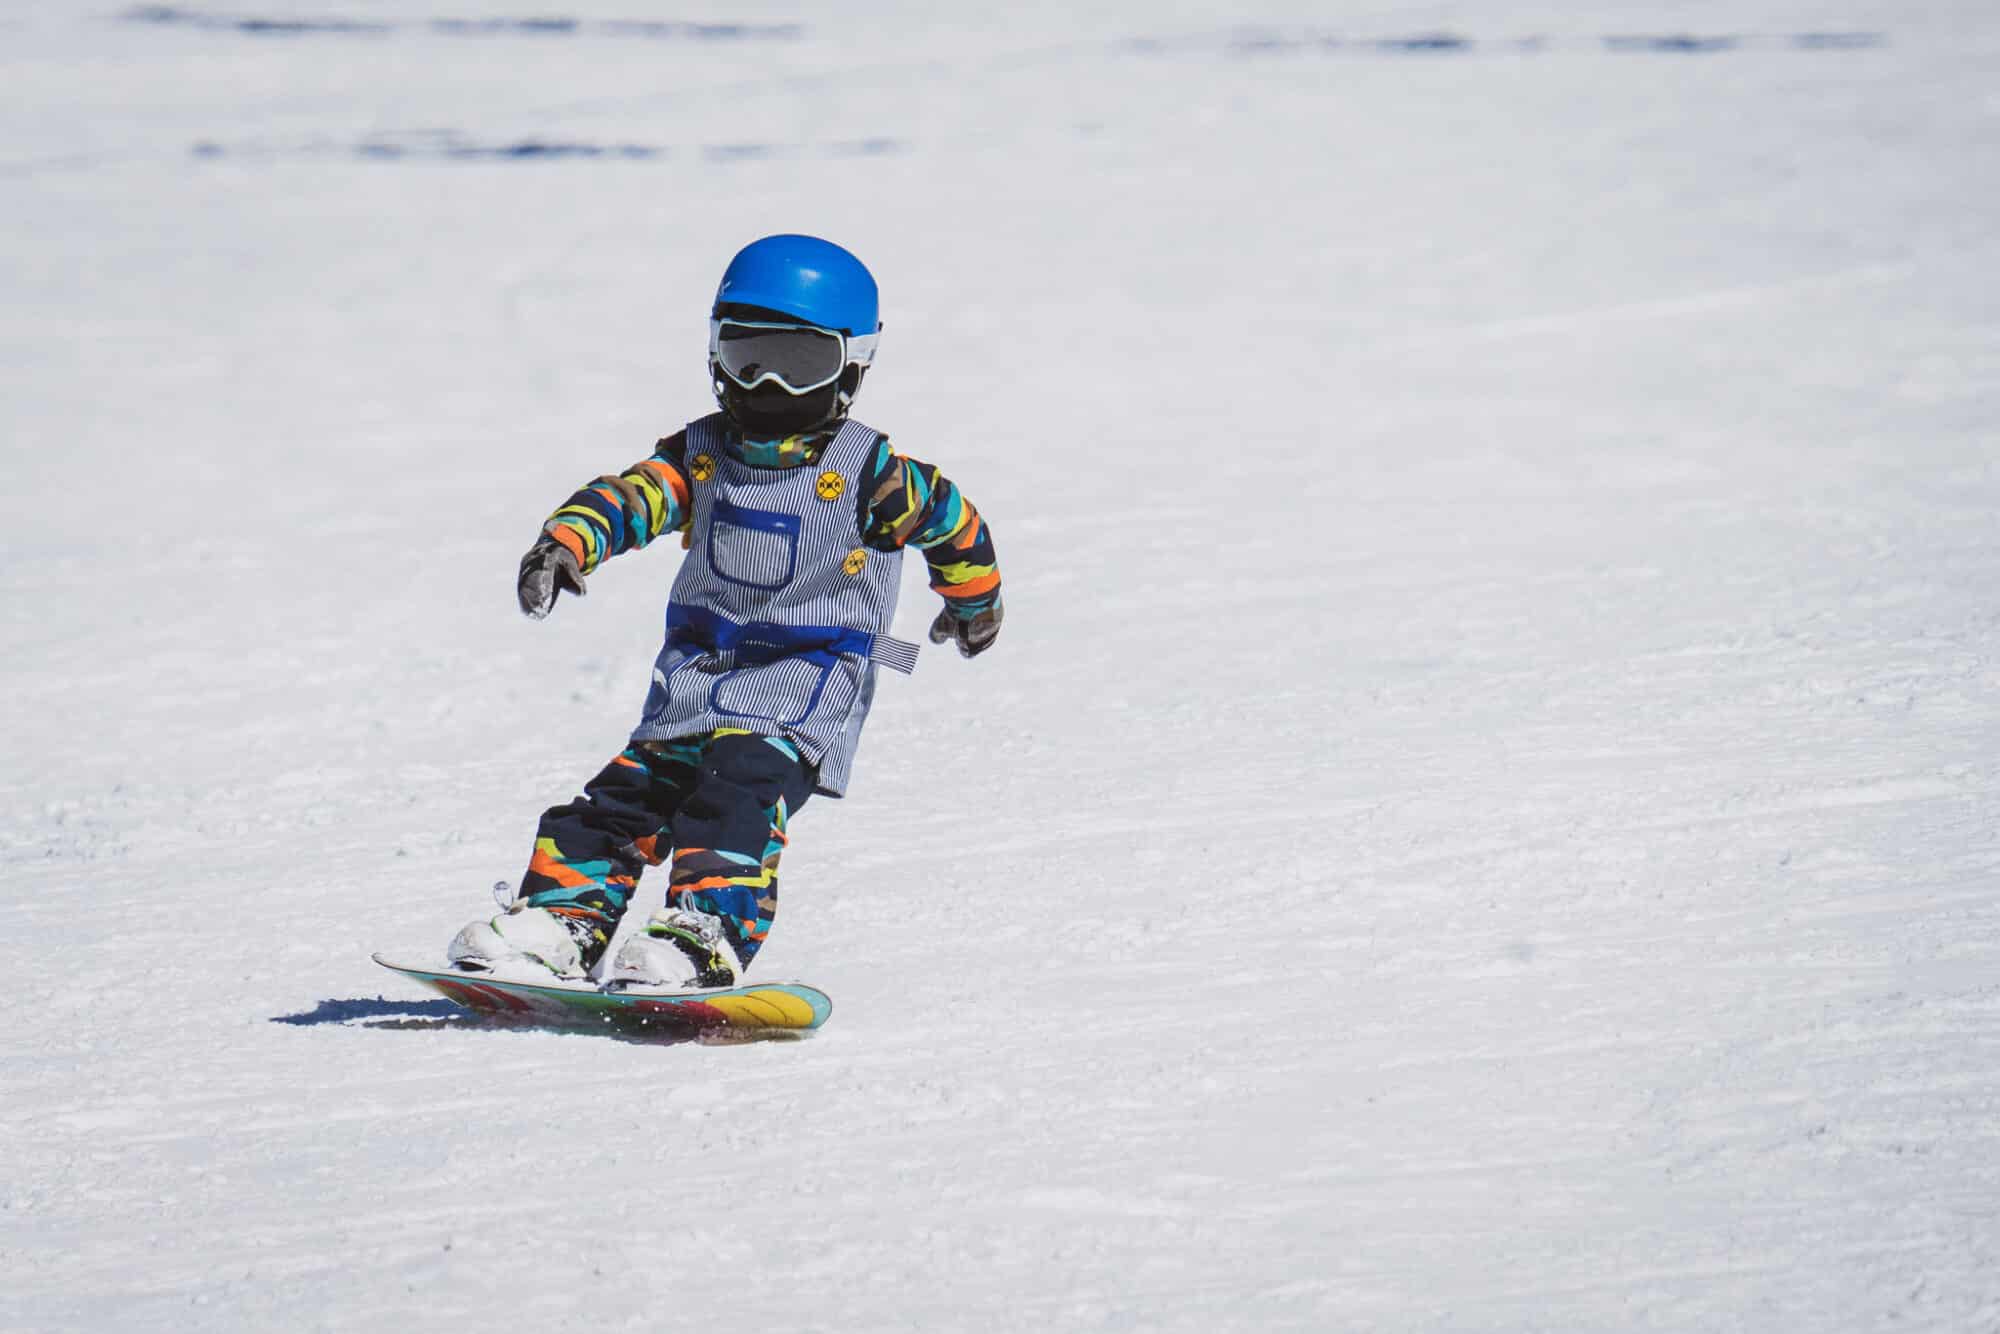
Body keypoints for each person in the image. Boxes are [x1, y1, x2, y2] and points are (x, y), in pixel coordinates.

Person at [447, 234, 1002, 989]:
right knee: (621, 799)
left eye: (800, 362)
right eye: (747, 355)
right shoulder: (701, 457)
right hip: (697, 679)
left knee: (737, 792)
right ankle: (562, 920)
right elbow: (630, 497)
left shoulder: (873, 475)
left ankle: (703, 933)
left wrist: (974, 600)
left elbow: (953, 523)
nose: (768, 381)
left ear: (853, 367)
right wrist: (568, 542)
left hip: (804, 685)